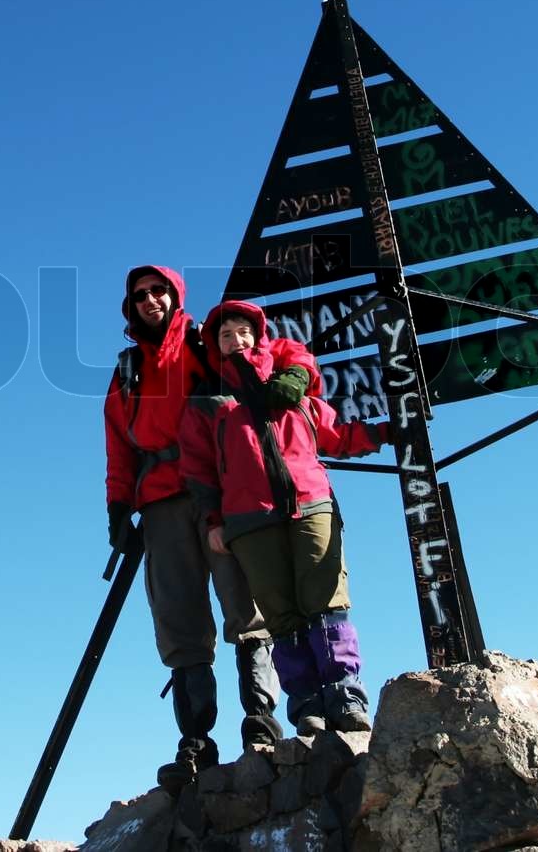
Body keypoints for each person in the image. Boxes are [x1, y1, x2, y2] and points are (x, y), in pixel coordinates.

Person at [103, 267, 284, 786]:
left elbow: (273, 355)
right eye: (139, 294)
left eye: (158, 290)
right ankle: (197, 741)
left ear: (174, 294)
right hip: (159, 501)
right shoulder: (127, 368)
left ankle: (261, 724)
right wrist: (118, 506)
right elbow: (119, 440)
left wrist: (294, 373)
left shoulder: (207, 341)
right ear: (130, 305)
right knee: (179, 620)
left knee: (244, 605)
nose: (149, 300)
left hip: (219, 488)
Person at [178, 300, 387, 735]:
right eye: (225, 335)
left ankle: (345, 695)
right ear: (214, 345)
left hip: (311, 504)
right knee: (281, 616)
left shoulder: (293, 391)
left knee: (327, 601)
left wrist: (389, 431)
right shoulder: (206, 401)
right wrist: (213, 521)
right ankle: (306, 704)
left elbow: (337, 434)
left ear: (258, 336)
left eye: (242, 331)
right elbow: (197, 469)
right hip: (249, 521)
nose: (236, 340)